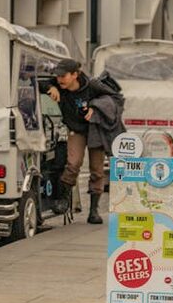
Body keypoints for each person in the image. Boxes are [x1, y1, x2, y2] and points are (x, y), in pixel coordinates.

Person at [41, 58, 124, 225]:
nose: (59, 80)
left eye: (63, 76)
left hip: (96, 130)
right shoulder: (57, 84)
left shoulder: (92, 85)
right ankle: (63, 200)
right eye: (58, 76)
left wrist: (96, 107)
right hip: (76, 130)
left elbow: (115, 98)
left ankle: (94, 211)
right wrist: (50, 87)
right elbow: (38, 83)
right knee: (73, 163)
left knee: (97, 170)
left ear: (75, 75)